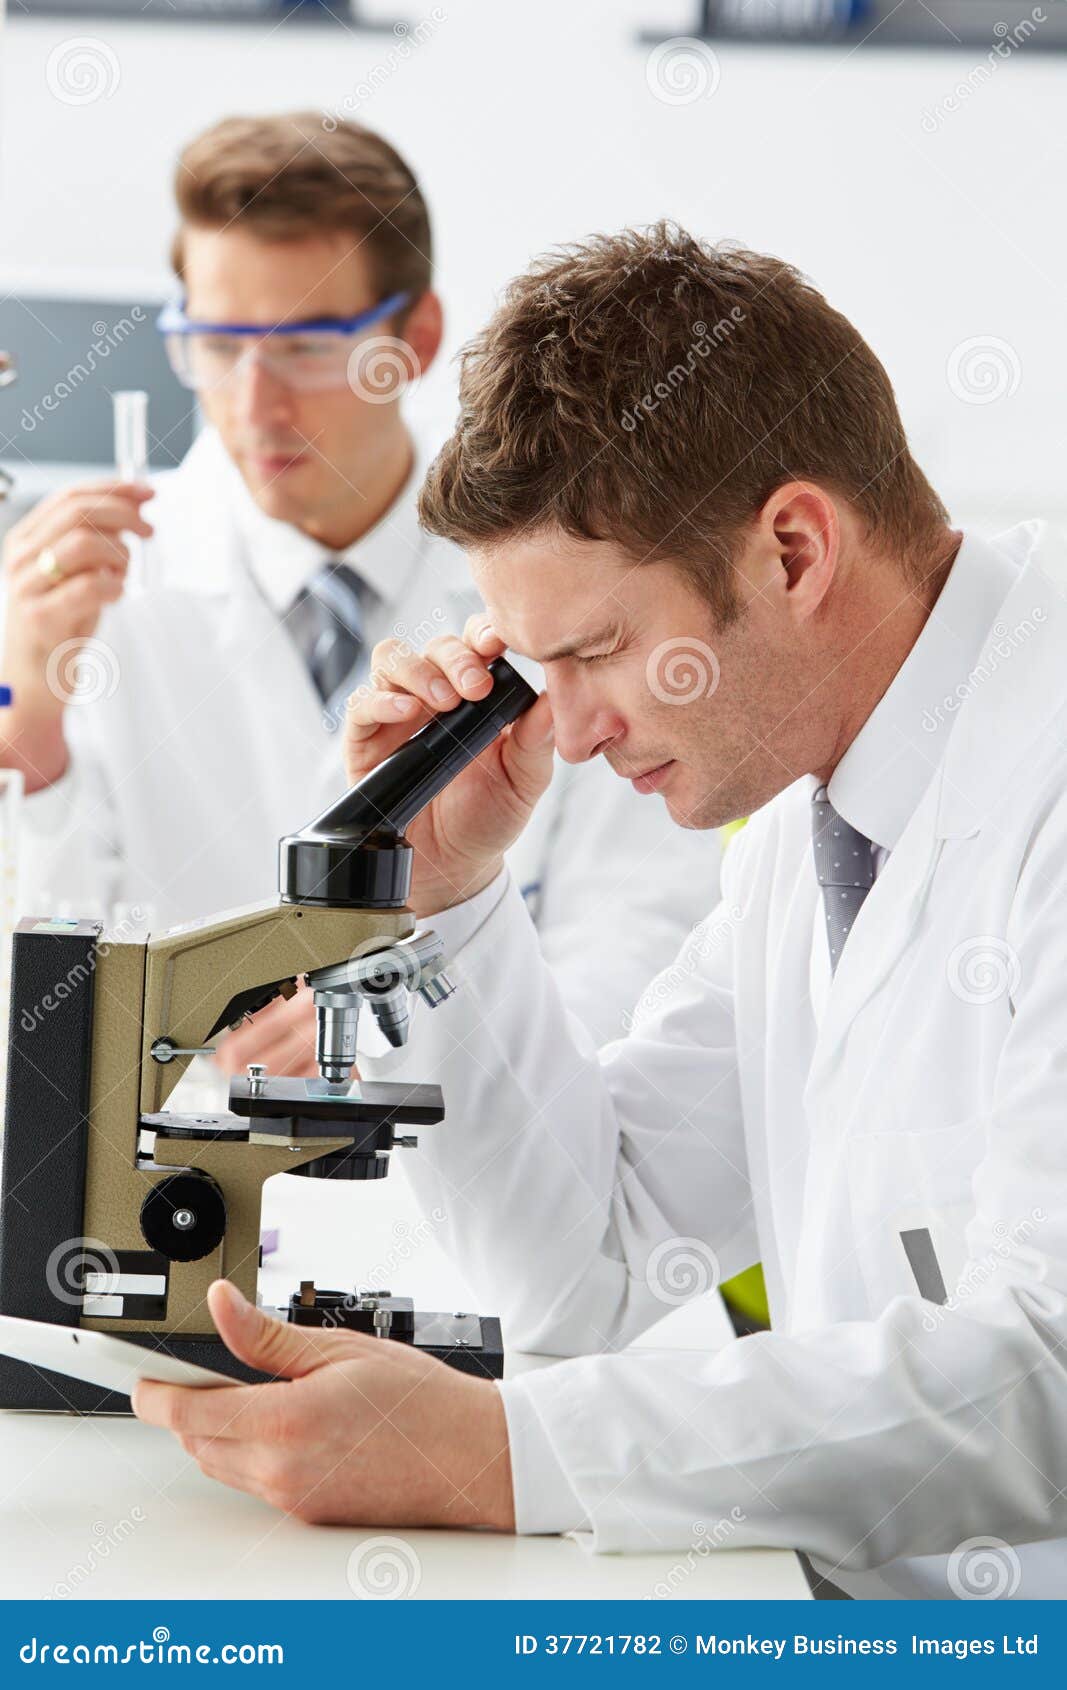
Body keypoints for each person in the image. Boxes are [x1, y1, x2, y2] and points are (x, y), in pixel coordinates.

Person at [135, 223, 1067, 1602]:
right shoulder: (821, 808)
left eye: (593, 652)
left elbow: (1044, 1369)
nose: (562, 735)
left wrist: (498, 1454)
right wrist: (444, 896)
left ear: (792, 550)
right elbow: (594, 1262)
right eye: (533, 664)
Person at [0, 116, 714, 1069]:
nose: (254, 405)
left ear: (413, 338)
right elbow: (50, 1002)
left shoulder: (567, 579)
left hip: (465, 1179)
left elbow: (638, 947)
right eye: (217, 344)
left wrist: (398, 1022)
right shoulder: (88, 597)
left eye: (302, 345)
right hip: (174, 1180)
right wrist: (28, 736)